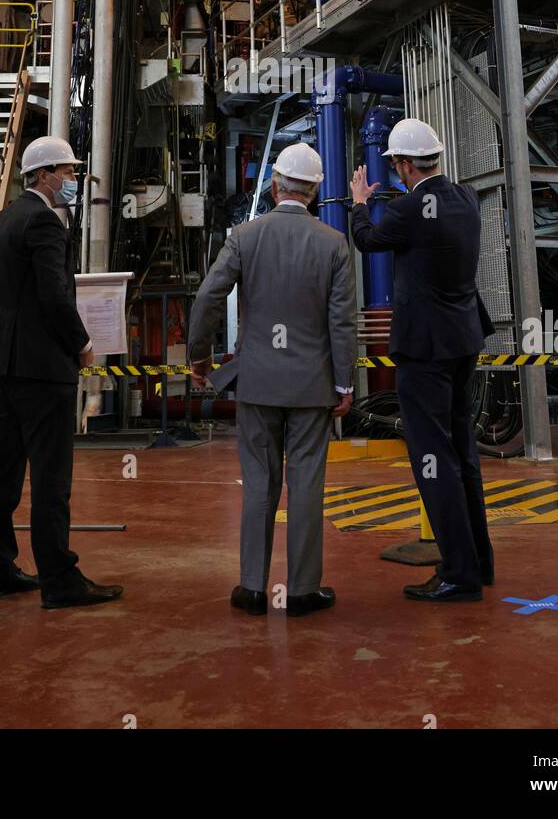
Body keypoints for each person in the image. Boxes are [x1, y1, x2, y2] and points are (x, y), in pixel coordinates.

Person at [188, 142, 356, 618]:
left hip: (257, 384)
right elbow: (341, 323)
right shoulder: (333, 243)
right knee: (306, 485)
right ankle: (303, 590)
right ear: (315, 192)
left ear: (276, 185)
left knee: (260, 482)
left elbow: (206, 299)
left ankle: (252, 588)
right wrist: (343, 384)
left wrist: (200, 359)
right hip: (311, 386)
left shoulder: (245, 236)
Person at [0, 135, 124, 610]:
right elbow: (54, 295)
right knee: (52, 477)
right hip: (45, 368)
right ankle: (60, 580)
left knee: (2, 470)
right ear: (44, 174)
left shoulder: (4, 219)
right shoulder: (44, 222)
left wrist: (13, 322)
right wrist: (82, 343)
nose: (73, 180)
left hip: (8, 365)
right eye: (69, 172)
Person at [349, 118, 495, 603]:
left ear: (405, 165)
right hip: (463, 341)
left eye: (397, 166)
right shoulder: (466, 199)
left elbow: (368, 240)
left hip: (425, 350)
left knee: (434, 459)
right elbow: (421, 224)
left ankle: (459, 573)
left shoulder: (408, 209)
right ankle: (479, 561)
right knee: (463, 453)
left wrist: (361, 203)